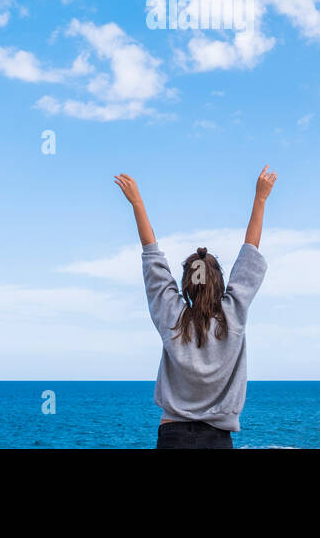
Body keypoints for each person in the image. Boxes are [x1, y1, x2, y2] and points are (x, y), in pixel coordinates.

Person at [113, 166, 276, 449]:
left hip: (172, 436)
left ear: (185, 284)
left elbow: (152, 257)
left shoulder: (171, 316)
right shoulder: (233, 314)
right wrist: (260, 199)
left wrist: (137, 203)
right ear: (221, 282)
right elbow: (250, 252)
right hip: (217, 439)